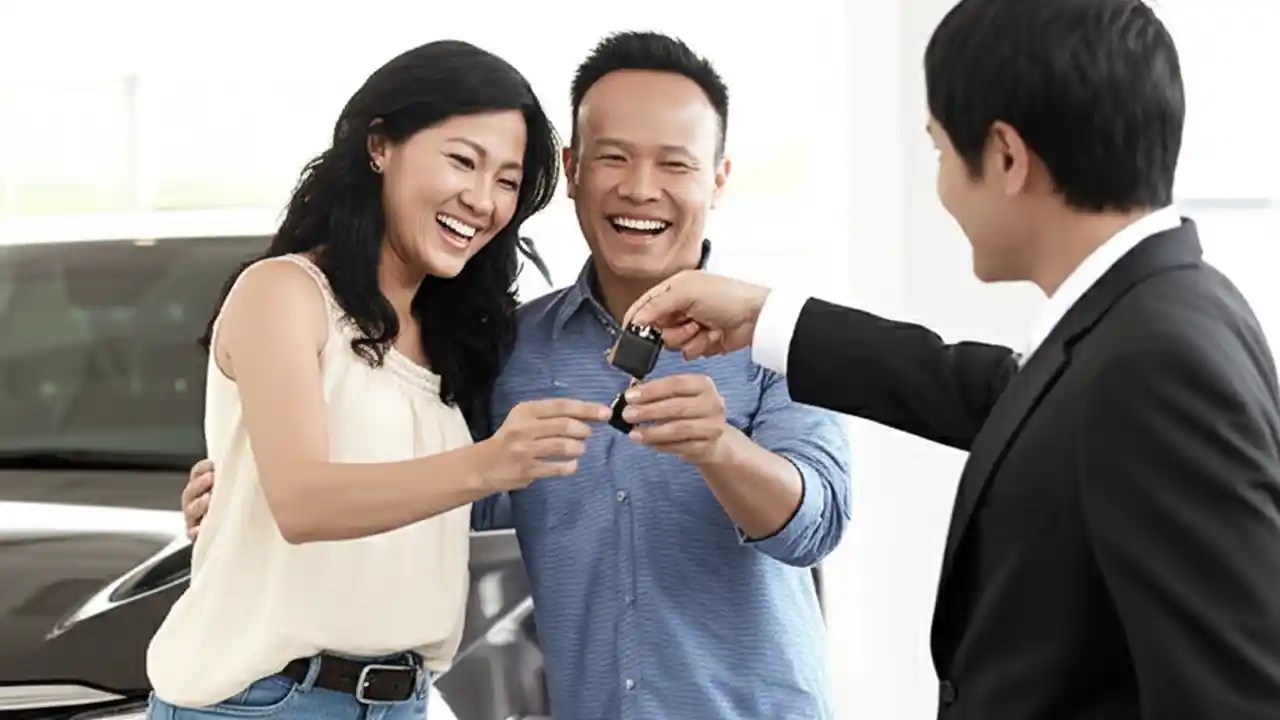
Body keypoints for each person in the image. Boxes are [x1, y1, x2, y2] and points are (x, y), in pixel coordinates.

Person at [625, 1, 1280, 718]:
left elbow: (1235, 698)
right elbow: (1008, 396)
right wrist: (769, 317)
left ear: (1005, 156)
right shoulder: (1147, 316)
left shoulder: (1158, 361)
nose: (940, 187)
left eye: (939, 150)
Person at [184, 31, 852, 719]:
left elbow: (816, 525)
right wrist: (245, 488)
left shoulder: (776, 340)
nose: (640, 189)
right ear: (572, 170)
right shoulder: (507, 347)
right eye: (614, 158)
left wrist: (720, 449)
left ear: (717, 177)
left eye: (674, 164)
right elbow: (437, 486)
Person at [146, 40, 610, 720]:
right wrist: (489, 463)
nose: (482, 200)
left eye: (507, 181)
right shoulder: (285, 292)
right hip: (263, 704)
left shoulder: (456, 335)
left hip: (404, 701)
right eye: (461, 160)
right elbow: (304, 503)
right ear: (380, 145)